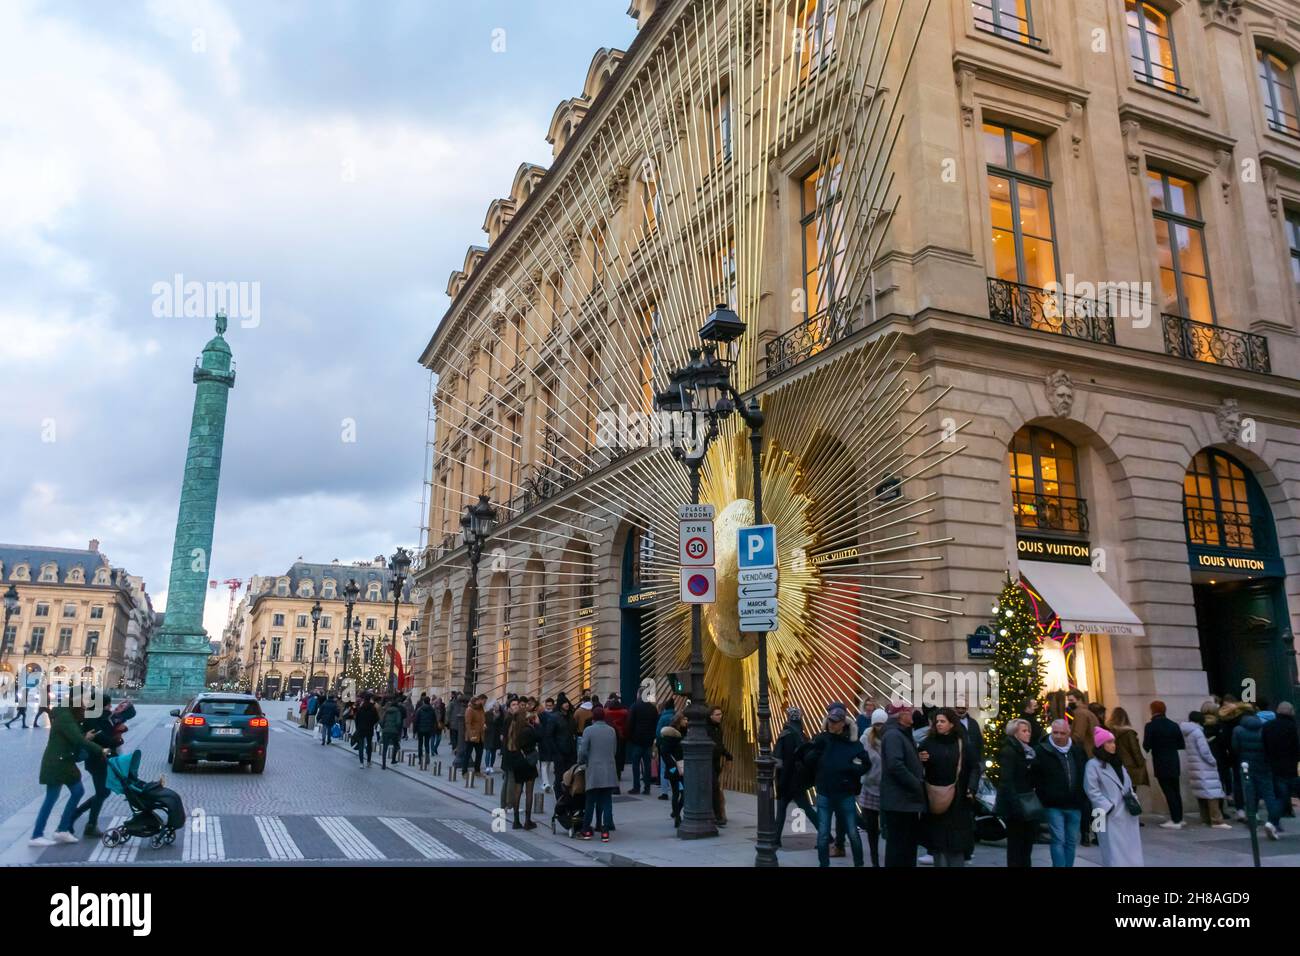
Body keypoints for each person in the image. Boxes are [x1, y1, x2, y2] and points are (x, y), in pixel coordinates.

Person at [800, 702, 870, 867]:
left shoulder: (852, 743)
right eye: (830, 720)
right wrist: (816, 752)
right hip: (824, 793)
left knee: (853, 833)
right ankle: (823, 864)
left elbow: (866, 763)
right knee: (823, 835)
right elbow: (807, 761)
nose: (832, 724)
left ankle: (859, 864)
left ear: (843, 722)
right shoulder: (821, 739)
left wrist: (850, 769)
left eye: (836, 721)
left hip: (845, 794)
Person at [918, 707, 976, 867]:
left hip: (958, 801)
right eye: (937, 721)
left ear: (952, 724)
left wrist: (971, 787)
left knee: (956, 846)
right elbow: (918, 766)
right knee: (938, 845)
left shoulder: (962, 743)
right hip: (936, 800)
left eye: (943, 721)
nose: (939, 724)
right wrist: (920, 759)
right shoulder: (927, 743)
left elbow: (975, 767)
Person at [30, 704, 91, 846]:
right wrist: (98, 749)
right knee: (51, 797)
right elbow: (77, 739)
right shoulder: (65, 719)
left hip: (63, 763)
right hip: (57, 765)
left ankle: (62, 829)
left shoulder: (67, 718)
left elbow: (74, 738)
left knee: (77, 791)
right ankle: (37, 835)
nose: (84, 707)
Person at [1033, 718, 1089, 867]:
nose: (1058, 736)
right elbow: (1036, 777)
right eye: (1055, 732)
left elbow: (1084, 775)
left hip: (1075, 804)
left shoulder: (1077, 751)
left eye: (1062, 733)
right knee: (1058, 839)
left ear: (1068, 733)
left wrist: (1082, 797)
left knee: (1071, 841)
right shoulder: (1042, 750)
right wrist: (1044, 796)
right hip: (1053, 805)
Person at [1085, 728, 1144, 866]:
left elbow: (1127, 785)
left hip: (1127, 811)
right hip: (1105, 814)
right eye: (1109, 742)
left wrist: (1134, 801)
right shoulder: (1092, 765)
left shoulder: (1117, 762)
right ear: (1101, 745)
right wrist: (1108, 807)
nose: (1114, 745)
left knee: (1131, 848)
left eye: (1113, 742)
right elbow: (1091, 790)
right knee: (1111, 850)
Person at [70, 693, 124, 839]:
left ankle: (79, 817)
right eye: (108, 705)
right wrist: (117, 741)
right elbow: (103, 738)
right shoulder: (94, 718)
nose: (110, 707)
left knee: (103, 792)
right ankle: (86, 822)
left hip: (101, 760)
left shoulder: (98, 717)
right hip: (98, 760)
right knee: (102, 792)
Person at [880, 703, 926, 867]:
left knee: (906, 847)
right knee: (899, 848)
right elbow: (895, 765)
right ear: (900, 716)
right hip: (899, 802)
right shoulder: (894, 735)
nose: (912, 713)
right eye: (909, 711)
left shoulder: (903, 734)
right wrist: (916, 784)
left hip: (906, 802)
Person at [997, 717, 1040, 867]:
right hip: (1016, 806)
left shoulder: (1028, 751)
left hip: (1027, 802)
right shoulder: (1009, 751)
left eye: (1029, 730)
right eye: (1024, 731)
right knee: (1016, 847)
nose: (1028, 733)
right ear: (1015, 734)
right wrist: (1016, 806)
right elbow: (1007, 781)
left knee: (1026, 846)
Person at [1234, 708, 1283, 838]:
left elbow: (1235, 748)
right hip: (1264, 765)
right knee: (1269, 794)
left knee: (1250, 793)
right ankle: (1273, 821)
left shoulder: (1238, 730)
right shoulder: (1264, 730)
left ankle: (1252, 819)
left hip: (1246, 766)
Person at [774, 707, 818, 847]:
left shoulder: (784, 735)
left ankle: (775, 839)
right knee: (807, 809)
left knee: (781, 810)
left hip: (786, 780)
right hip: (799, 781)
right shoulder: (802, 736)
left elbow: (779, 762)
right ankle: (826, 835)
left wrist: (780, 782)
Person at [1182, 711, 1231, 828]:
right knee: (1212, 794)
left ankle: (1205, 819)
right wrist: (1213, 761)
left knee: (1201, 793)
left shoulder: (1188, 732)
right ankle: (1217, 820)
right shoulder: (1197, 732)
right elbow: (1204, 751)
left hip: (1195, 766)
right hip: (1204, 767)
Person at [578, 705, 618, 841]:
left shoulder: (588, 730)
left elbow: (583, 751)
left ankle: (586, 829)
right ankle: (605, 830)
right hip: (609, 769)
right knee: (607, 801)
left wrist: (583, 761)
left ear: (593, 718)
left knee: (590, 801)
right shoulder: (611, 730)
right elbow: (614, 750)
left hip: (594, 769)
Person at [1142, 700, 1185, 829]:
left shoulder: (1150, 726)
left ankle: (1175, 819)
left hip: (1160, 761)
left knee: (1168, 791)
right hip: (1173, 760)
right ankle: (1179, 817)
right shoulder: (1174, 725)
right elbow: (1181, 744)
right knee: (1176, 790)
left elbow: (1146, 745)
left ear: (1152, 710)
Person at [857, 709, 886, 866]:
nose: (880, 727)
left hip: (887, 789)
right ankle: (875, 861)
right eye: (877, 724)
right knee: (872, 829)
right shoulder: (866, 738)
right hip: (869, 787)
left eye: (882, 724)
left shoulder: (890, 738)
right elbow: (858, 758)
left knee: (888, 828)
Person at [1262, 701, 1299, 826]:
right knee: (1284, 795)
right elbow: (1295, 747)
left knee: (1279, 794)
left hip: (1272, 764)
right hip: (1289, 766)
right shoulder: (1291, 726)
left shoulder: (1268, 726)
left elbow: (1264, 745)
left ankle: (1275, 821)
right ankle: (1273, 821)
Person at [1107, 707, 1150, 814]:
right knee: (1131, 794)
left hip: (1114, 765)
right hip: (1130, 766)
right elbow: (1135, 750)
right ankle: (1132, 816)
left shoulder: (1109, 731)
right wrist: (1141, 763)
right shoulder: (1129, 733)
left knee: (1117, 793)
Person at [504, 709, 540, 830]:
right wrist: (536, 723)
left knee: (517, 790)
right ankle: (527, 821)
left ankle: (516, 820)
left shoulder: (513, 729)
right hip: (528, 762)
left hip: (517, 761)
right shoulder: (528, 729)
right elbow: (539, 738)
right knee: (529, 792)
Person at [626, 688, 659, 795]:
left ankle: (636, 787)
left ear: (639, 695)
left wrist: (630, 737)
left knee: (635, 765)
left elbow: (630, 723)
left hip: (637, 740)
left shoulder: (635, 706)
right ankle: (647, 787)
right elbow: (655, 724)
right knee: (647, 765)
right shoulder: (653, 709)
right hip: (648, 740)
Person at [659, 713, 687, 827]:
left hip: (683, 767)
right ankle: (677, 816)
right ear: (679, 720)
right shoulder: (670, 734)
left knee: (685, 794)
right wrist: (672, 767)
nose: (687, 721)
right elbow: (665, 753)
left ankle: (676, 811)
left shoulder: (686, 732)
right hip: (674, 768)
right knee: (676, 793)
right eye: (685, 719)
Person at [707, 705, 733, 826]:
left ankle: (716, 814)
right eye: (717, 714)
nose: (720, 716)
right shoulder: (707, 728)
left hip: (716, 761)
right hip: (708, 762)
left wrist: (726, 753)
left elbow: (720, 744)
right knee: (714, 788)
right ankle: (717, 816)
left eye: (720, 714)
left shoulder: (718, 728)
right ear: (711, 716)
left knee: (715, 788)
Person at [548, 694, 577, 779]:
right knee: (560, 777)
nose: (567, 704)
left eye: (567, 702)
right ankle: (558, 791)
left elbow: (573, 732)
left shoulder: (571, 717)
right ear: (560, 705)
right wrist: (556, 752)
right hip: (559, 752)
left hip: (570, 752)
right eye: (564, 703)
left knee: (569, 777)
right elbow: (549, 736)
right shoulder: (554, 717)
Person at [604, 693, 630, 783]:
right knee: (619, 755)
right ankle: (618, 774)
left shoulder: (606, 712)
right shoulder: (624, 712)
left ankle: (609, 774)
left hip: (609, 736)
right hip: (621, 736)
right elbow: (627, 725)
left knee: (610, 755)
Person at [655, 697, 677, 800]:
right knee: (675, 767)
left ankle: (664, 792)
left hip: (665, 746)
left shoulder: (663, 718)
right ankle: (676, 789)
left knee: (664, 768)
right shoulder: (676, 717)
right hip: (676, 747)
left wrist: (659, 744)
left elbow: (658, 733)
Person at [1067, 690, 1098, 758]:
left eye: (1071, 700)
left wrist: (1066, 742)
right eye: (1068, 700)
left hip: (1086, 751)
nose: (1069, 703)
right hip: (1092, 750)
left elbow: (1078, 735)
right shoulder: (1087, 712)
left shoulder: (1080, 713)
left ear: (1080, 700)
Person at [463, 694, 486, 773]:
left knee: (479, 754)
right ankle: (464, 771)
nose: (484, 702)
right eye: (483, 701)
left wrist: (484, 725)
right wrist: (470, 735)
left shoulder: (481, 709)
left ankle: (477, 770)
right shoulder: (470, 709)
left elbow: (482, 720)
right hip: (472, 736)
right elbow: (467, 723)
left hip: (480, 735)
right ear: (476, 701)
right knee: (467, 754)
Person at [414, 695, 438, 768]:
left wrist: (415, 730)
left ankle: (420, 759)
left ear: (424, 702)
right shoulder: (432, 710)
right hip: (428, 730)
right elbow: (434, 720)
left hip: (420, 730)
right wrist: (434, 730)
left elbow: (416, 721)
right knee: (427, 744)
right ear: (429, 701)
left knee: (420, 744)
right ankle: (427, 758)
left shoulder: (419, 710)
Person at [380, 695, 405, 766]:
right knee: (396, 745)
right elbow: (398, 722)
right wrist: (397, 729)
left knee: (385, 748)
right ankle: (393, 760)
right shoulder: (398, 712)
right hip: (394, 732)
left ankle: (383, 764)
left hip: (385, 731)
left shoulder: (386, 712)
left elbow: (381, 721)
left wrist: (384, 727)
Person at [482, 701, 502, 774]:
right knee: (488, 751)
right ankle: (487, 766)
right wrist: (484, 725)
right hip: (488, 734)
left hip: (496, 735)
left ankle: (491, 766)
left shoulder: (500, 714)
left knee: (493, 752)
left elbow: (501, 724)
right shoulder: (487, 714)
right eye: (495, 706)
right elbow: (483, 721)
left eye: (497, 706)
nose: (496, 707)